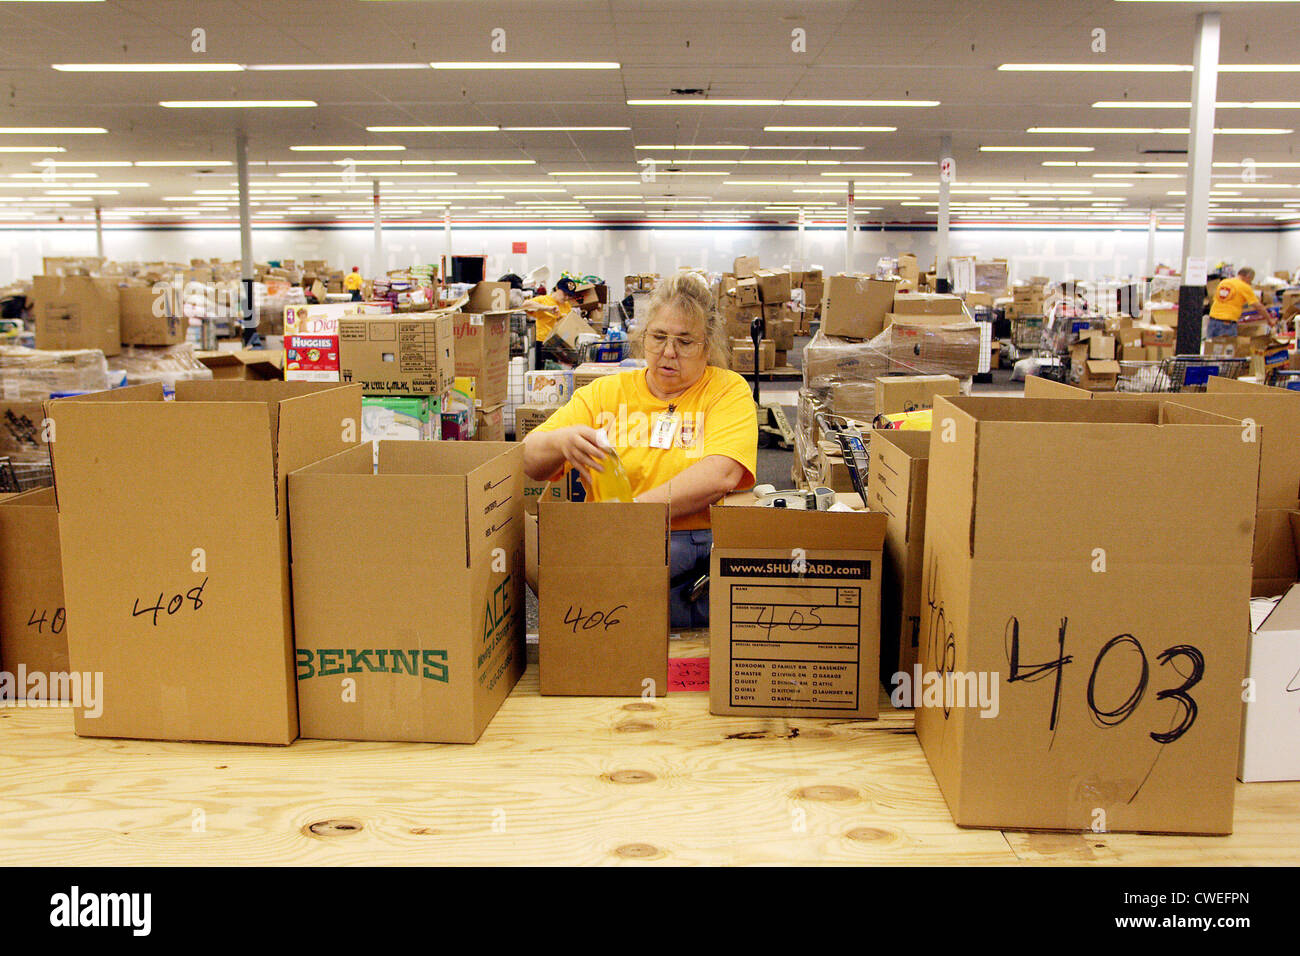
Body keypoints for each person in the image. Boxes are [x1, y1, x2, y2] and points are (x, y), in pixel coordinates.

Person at [523, 271, 758, 628]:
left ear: (708, 346)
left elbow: (720, 472)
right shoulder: (605, 393)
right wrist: (561, 440)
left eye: (685, 341)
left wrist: (632, 518)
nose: (668, 352)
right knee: (520, 534)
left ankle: (591, 623)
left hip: (686, 546)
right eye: (658, 337)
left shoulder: (726, 390)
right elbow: (527, 459)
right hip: (607, 542)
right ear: (642, 337)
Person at [1207, 267, 1272, 339]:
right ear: (1248, 277)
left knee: (1210, 347)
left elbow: (1218, 299)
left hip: (1212, 321)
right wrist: (1269, 320)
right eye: (1251, 280)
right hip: (1227, 323)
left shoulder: (1223, 282)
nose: (1250, 283)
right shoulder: (1244, 286)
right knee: (1226, 348)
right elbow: (1258, 307)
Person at [522, 274, 581, 344]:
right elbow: (525, 305)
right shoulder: (543, 299)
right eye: (565, 294)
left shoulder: (567, 306)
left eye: (569, 295)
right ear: (557, 288)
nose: (567, 298)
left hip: (557, 342)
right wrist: (547, 308)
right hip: (542, 341)